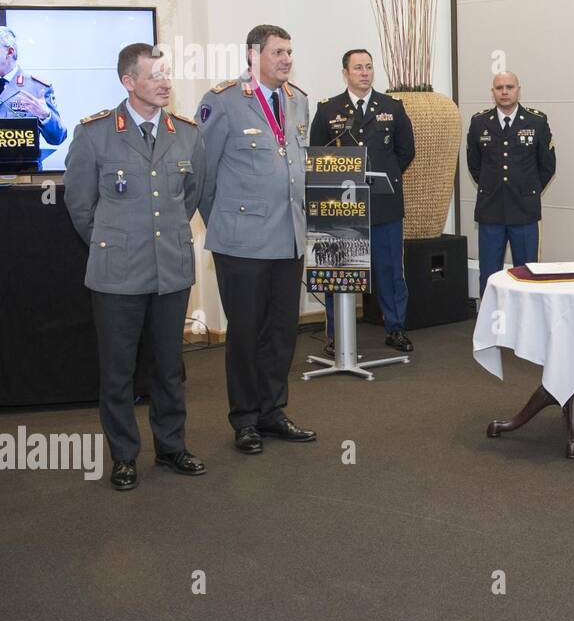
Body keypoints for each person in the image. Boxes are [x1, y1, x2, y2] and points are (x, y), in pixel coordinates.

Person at [63, 44, 206, 491]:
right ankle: (124, 455)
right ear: (129, 82)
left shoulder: (186, 133)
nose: (165, 83)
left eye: (167, 75)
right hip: (116, 274)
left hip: (170, 269)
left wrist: (158, 238)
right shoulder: (95, 134)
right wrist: (114, 244)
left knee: (168, 367)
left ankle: (171, 447)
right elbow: (80, 205)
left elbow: (191, 194)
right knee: (119, 371)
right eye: (155, 76)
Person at [196, 24, 316, 455]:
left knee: (282, 332)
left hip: (288, 238)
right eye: (278, 52)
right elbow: (203, 175)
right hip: (240, 242)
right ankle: (244, 419)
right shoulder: (223, 101)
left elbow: (296, 166)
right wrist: (226, 225)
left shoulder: (298, 101)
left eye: (289, 52)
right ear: (253, 55)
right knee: (245, 333)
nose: (286, 60)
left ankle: (272, 411)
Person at [310, 49, 417, 354]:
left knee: (390, 271)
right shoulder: (328, 109)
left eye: (369, 67)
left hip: (384, 204)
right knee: (339, 271)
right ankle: (336, 335)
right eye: (358, 68)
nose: (364, 73)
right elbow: (318, 154)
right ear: (345, 72)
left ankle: (395, 328)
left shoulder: (392, 107)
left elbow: (405, 152)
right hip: (342, 206)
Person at [465, 71, 555, 295]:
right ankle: (490, 325)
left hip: (524, 212)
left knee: (527, 274)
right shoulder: (479, 122)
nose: (504, 92)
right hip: (490, 211)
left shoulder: (537, 121)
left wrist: (528, 191)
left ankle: (527, 324)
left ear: (518, 90)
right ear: (492, 92)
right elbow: (474, 165)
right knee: (489, 275)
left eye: (509, 87)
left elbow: (547, 166)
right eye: (499, 88)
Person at [0, 25, 67, 146]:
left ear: (10, 52)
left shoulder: (37, 87)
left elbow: (58, 137)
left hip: (22, 163)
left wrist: (45, 116)